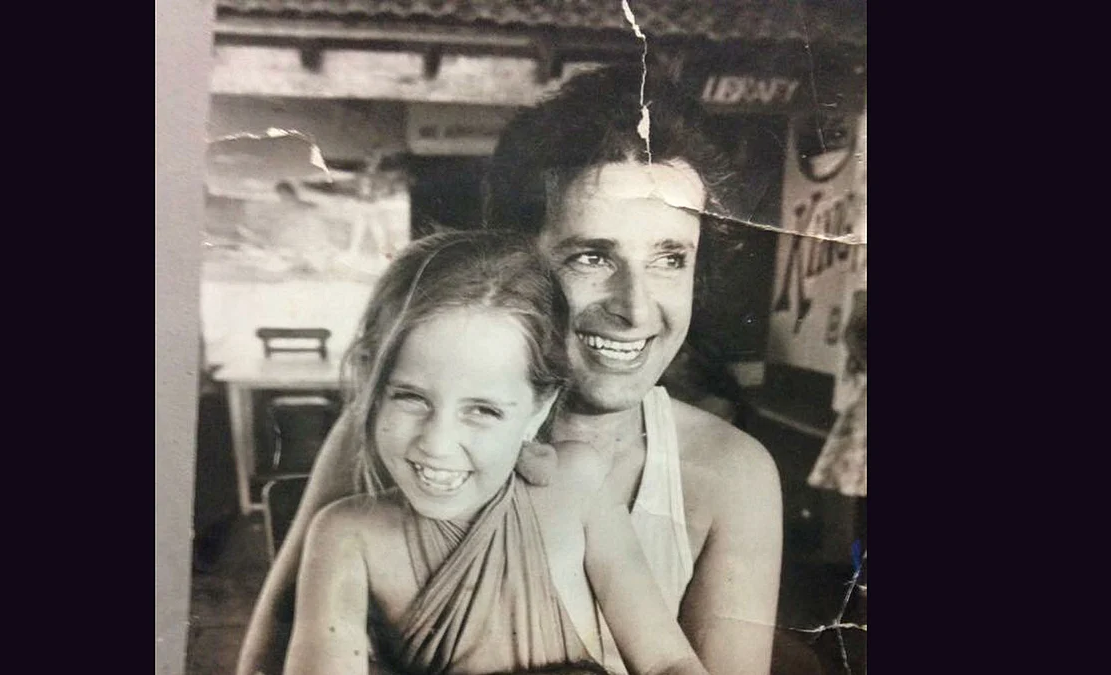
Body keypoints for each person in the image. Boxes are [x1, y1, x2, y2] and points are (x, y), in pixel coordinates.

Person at [238, 63, 782, 675]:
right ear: (518, 264)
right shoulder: (394, 440)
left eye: (670, 259)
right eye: (591, 256)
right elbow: (265, 664)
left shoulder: (729, 473)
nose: (634, 309)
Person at [284, 230, 710, 675]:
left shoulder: (576, 484)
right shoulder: (345, 535)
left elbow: (668, 661)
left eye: (483, 410)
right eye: (410, 397)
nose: (437, 443)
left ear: (537, 410)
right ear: (373, 389)